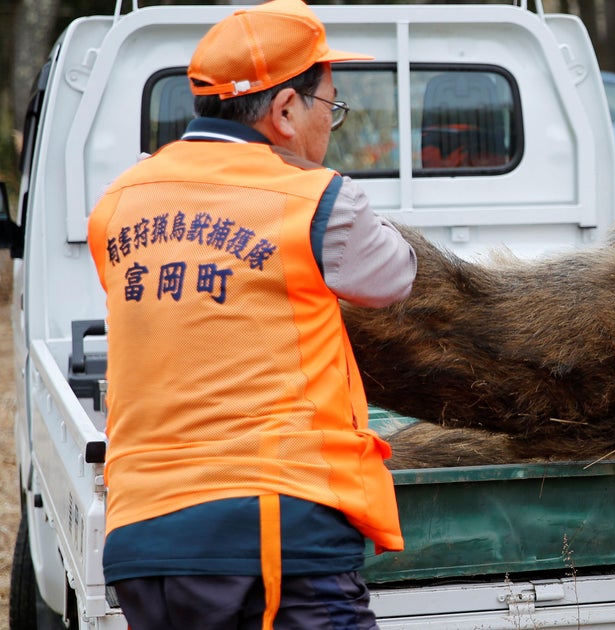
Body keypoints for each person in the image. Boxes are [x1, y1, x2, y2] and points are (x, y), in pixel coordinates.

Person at [85, 0, 417, 627]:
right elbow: (395, 275)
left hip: (140, 542)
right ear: (286, 111)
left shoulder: (118, 202)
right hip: (275, 533)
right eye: (331, 106)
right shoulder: (317, 201)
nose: (332, 124)